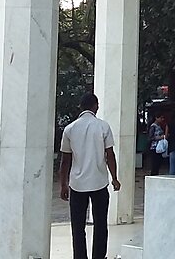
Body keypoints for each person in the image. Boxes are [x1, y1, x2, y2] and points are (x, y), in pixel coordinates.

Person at [59, 93, 121, 259]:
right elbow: (110, 155)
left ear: (80, 107)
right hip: (99, 183)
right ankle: (99, 257)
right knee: (101, 225)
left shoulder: (70, 129)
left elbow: (65, 161)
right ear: (96, 106)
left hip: (77, 185)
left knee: (78, 227)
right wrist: (114, 178)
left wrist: (63, 184)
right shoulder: (103, 126)